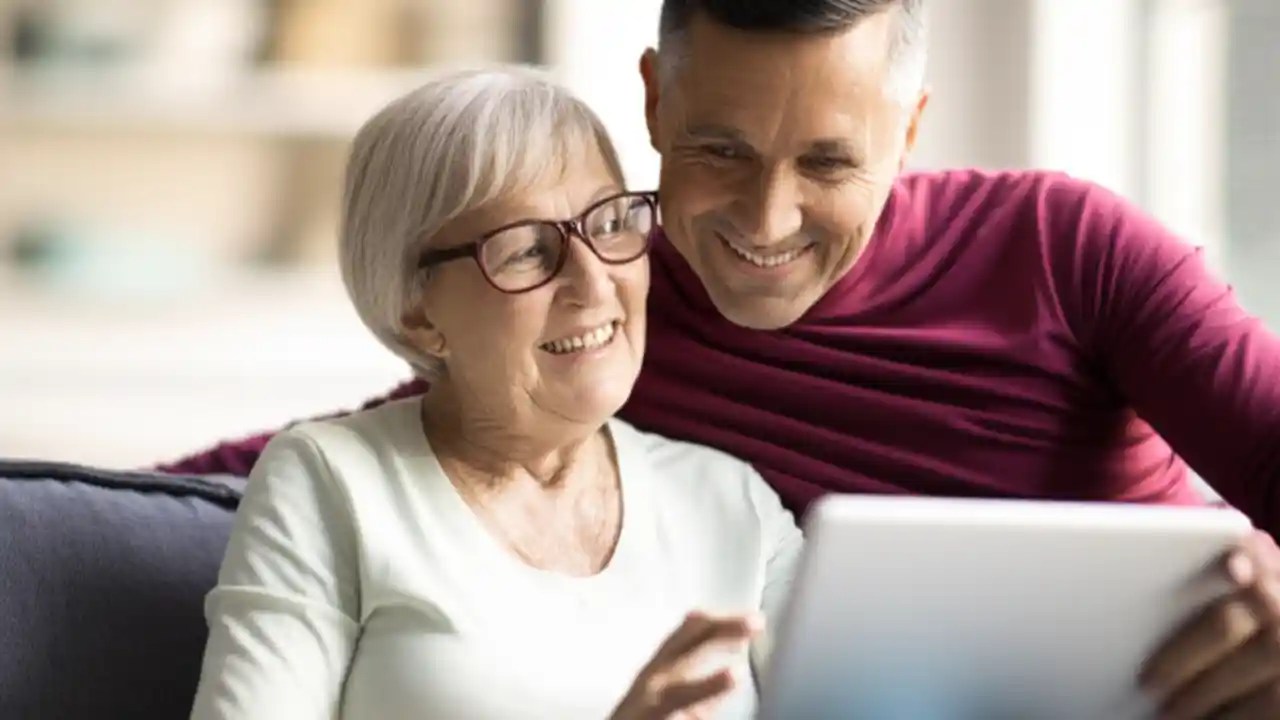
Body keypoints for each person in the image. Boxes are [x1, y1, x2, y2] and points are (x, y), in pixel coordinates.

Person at [169, 1, 1280, 717]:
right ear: (655, 101)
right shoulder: (603, 310)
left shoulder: (1067, 249)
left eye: (828, 163)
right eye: (719, 151)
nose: (765, 220)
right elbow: (380, 445)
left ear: (908, 129)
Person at [188, 67, 802, 720]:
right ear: (418, 312)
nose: (595, 283)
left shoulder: (732, 503)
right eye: (527, 252)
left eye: (608, 223)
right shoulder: (330, 480)